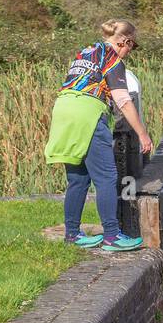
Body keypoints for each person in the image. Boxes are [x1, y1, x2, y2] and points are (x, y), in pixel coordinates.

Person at [45, 19, 153, 252]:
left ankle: (72, 234)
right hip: (87, 113)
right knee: (106, 177)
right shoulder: (113, 59)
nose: (130, 52)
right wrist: (143, 135)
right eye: (131, 47)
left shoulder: (86, 52)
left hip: (63, 109)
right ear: (125, 41)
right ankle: (112, 236)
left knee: (78, 178)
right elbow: (123, 101)